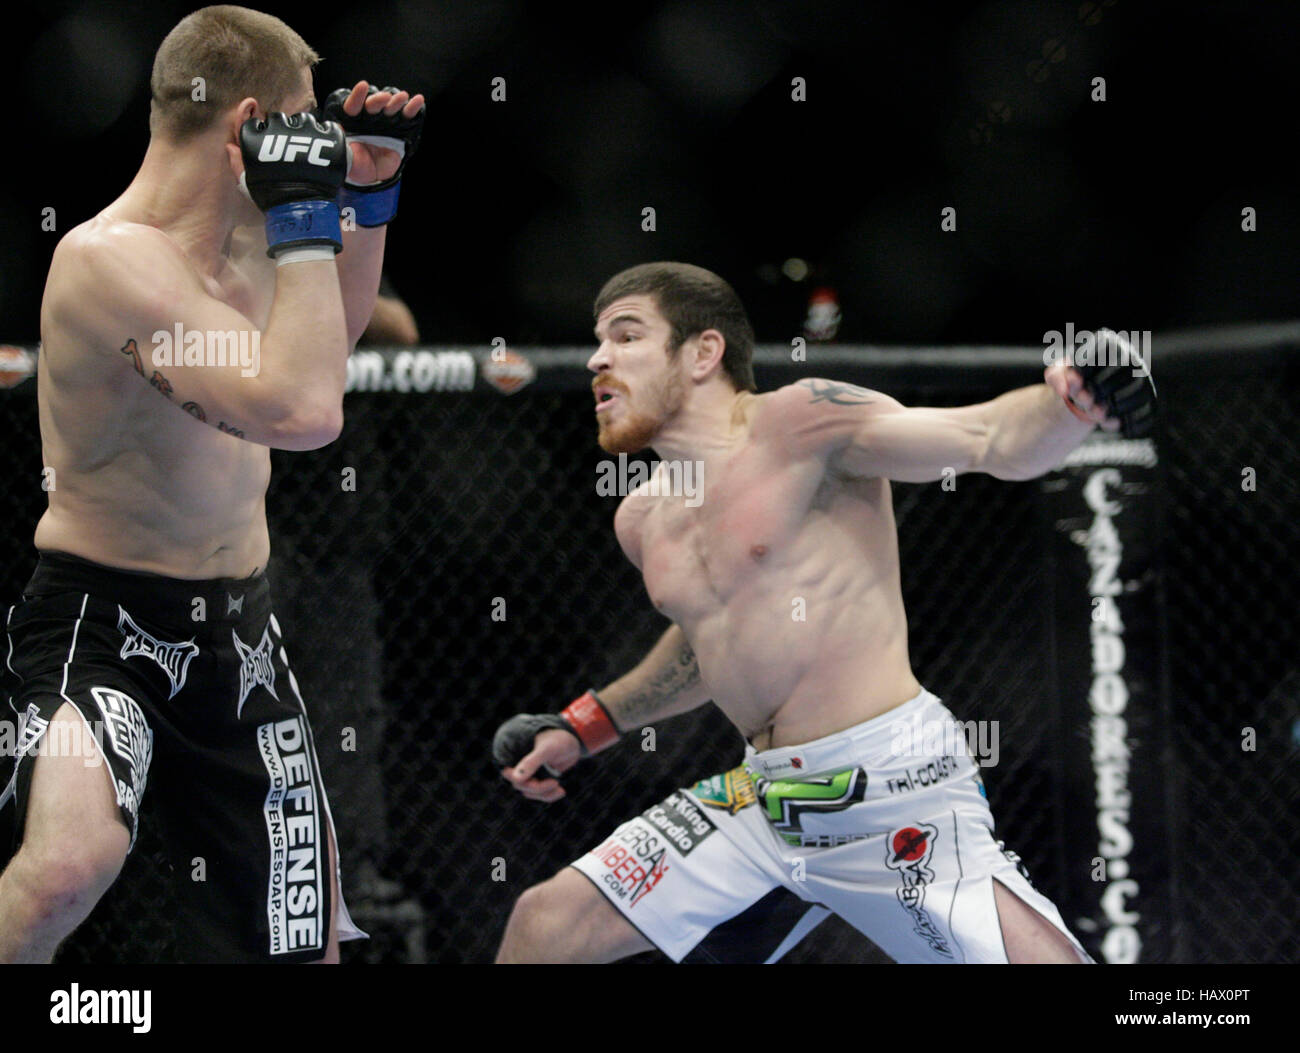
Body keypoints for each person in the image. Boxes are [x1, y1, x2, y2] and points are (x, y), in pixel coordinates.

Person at [493, 261, 1153, 964]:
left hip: (890, 784)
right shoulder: (644, 517)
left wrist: (1074, 405)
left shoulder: (801, 421)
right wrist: (586, 724)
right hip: (765, 796)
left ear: (703, 353)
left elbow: (983, 437)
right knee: (545, 925)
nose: (598, 359)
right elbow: (706, 644)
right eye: (598, 340)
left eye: (626, 337)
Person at [0, 5, 424, 963]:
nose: (317, 136)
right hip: (101, 623)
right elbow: (305, 414)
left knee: (305, 939)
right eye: (305, 119)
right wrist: (311, 219)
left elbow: (333, 345)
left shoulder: (246, 247)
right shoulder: (108, 261)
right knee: (69, 862)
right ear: (247, 127)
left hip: (240, 630)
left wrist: (364, 195)